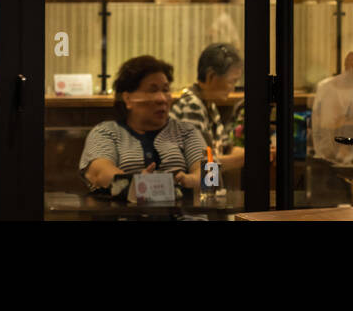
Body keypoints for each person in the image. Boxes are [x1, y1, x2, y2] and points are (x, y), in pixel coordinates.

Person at [80, 55, 205, 199]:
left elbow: (212, 177)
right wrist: (139, 183)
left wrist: (191, 180)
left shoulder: (187, 131)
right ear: (128, 99)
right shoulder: (106, 132)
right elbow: (99, 174)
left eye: (165, 90)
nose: (162, 99)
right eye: (152, 90)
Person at [171, 43, 243, 173]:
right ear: (211, 76)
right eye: (231, 81)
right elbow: (201, 167)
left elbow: (225, 148)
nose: (232, 88)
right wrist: (242, 159)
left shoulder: (209, 104)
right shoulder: (192, 106)